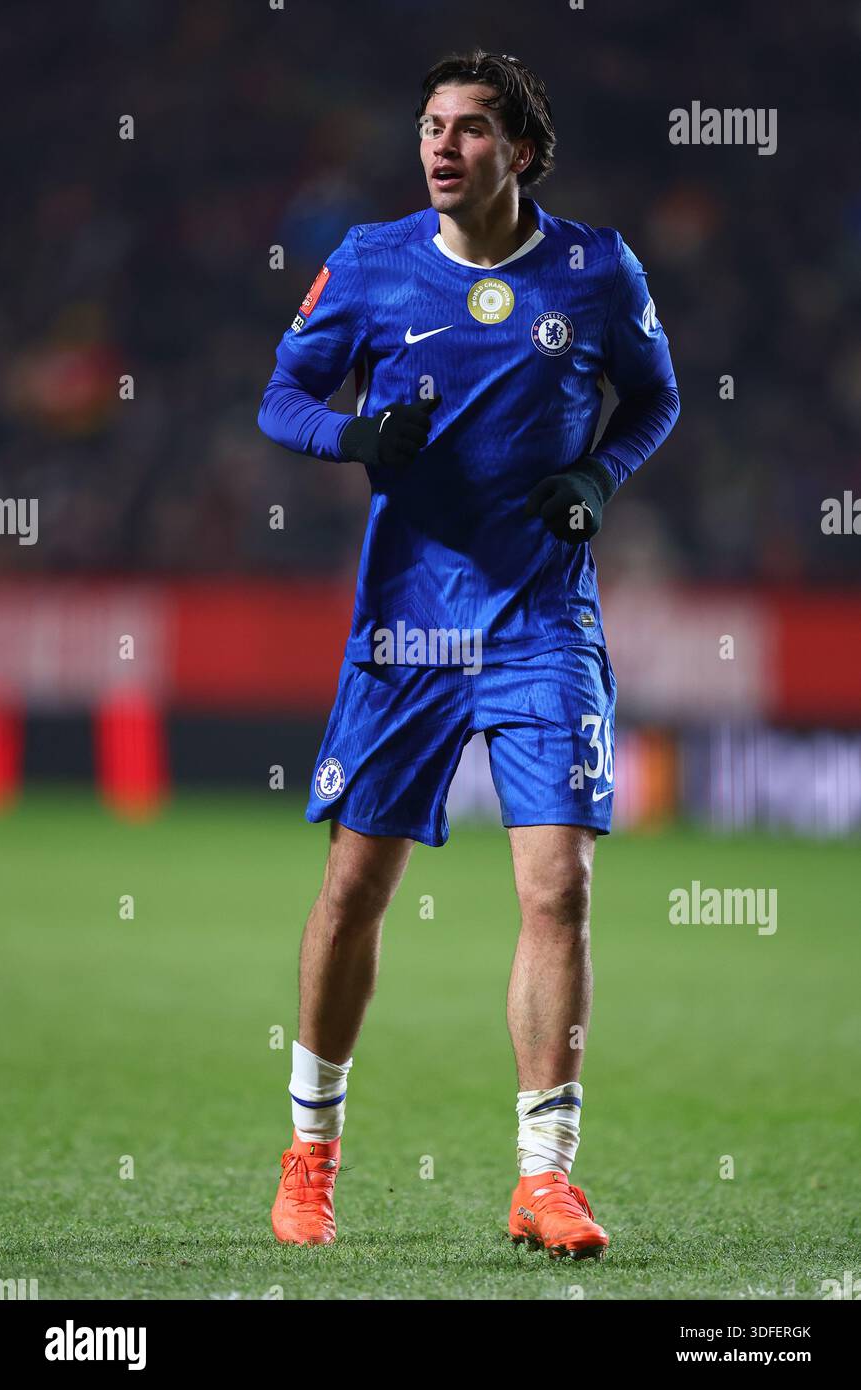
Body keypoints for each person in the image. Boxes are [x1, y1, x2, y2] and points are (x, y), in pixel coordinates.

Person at [258, 48, 680, 1259]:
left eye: (470, 129)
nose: (442, 146)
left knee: (559, 885)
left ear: (521, 153)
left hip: (543, 617)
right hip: (408, 624)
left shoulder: (597, 270)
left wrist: (598, 472)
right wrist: (350, 434)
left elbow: (651, 397)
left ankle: (543, 1179)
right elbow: (278, 397)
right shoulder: (374, 262)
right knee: (354, 889)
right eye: (431, 127)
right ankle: (311, 1155)